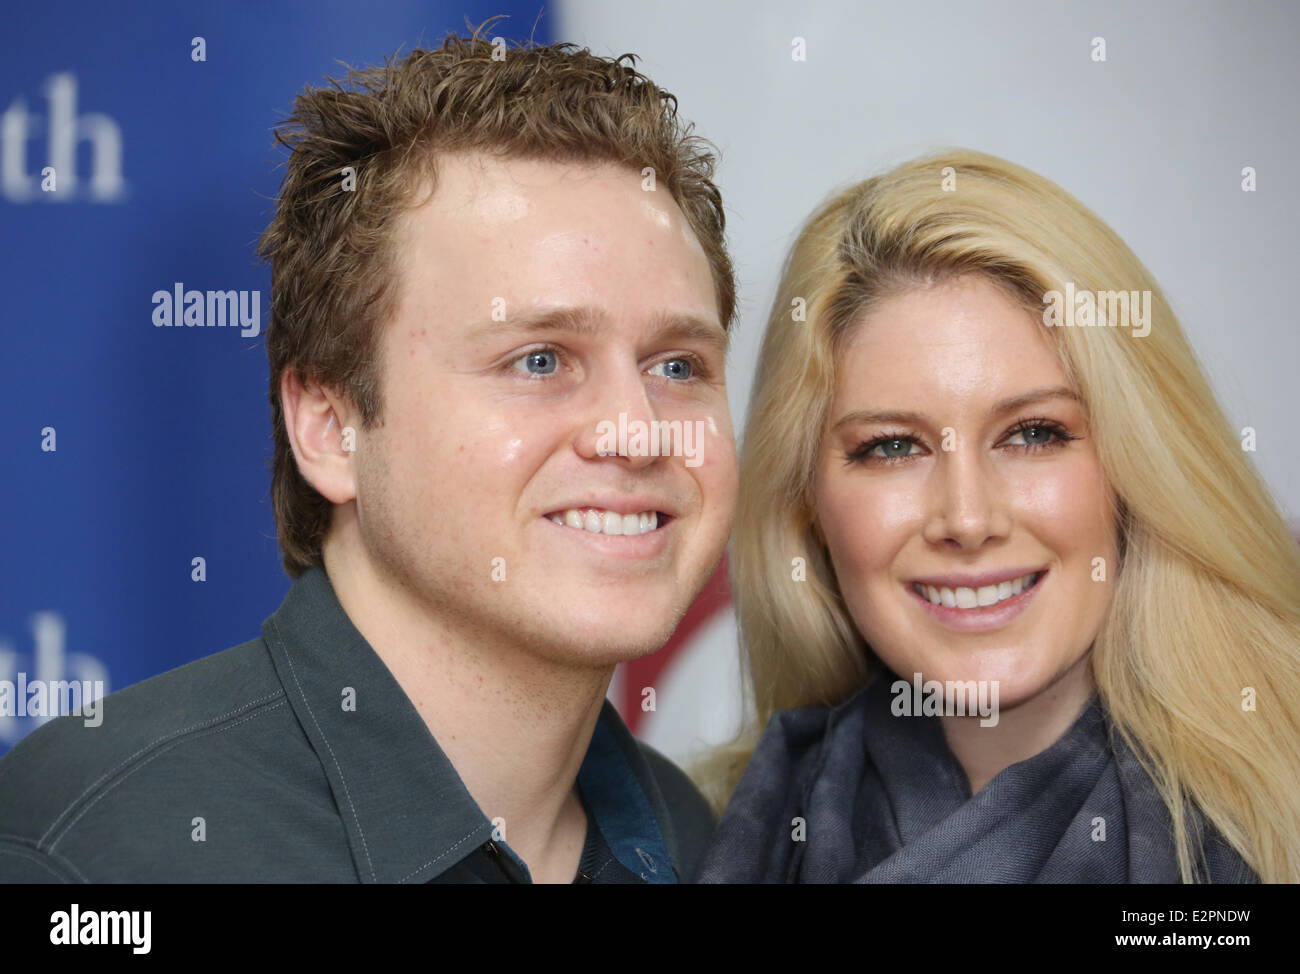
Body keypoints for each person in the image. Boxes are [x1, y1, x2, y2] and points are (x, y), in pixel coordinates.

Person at [0, 29, 739, 884]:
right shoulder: (100, 853)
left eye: (677, 366)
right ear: (328, 428)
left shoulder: (701, 845)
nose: (636, 430)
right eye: (538, 360)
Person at [694, 149, 1300, 883]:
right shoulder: (706, 833)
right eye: (892, 447)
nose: (968, 517)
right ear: (809, 506)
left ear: (1138, 466)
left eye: (1034, 433)